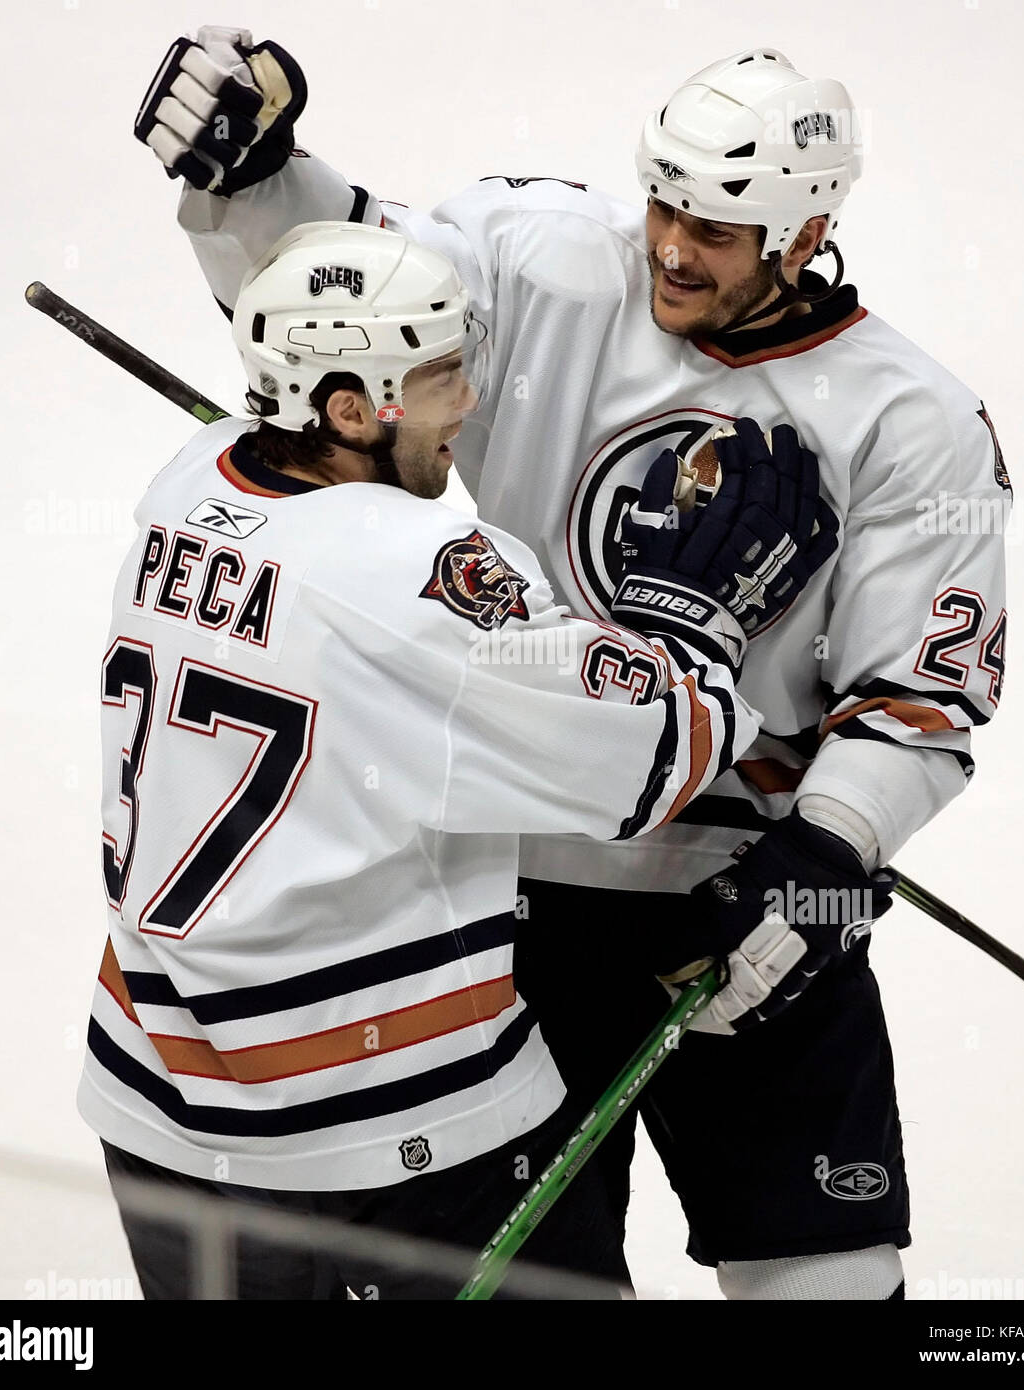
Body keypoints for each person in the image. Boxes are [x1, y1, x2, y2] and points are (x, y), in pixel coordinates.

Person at [134, 33, 1010, 1300]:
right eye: (664, 203)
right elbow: (358, 279)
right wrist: (261, 169)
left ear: (806, 230)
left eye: (717, 228)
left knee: (828, 1280)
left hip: (745, 895)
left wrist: (827, 848)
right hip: (508, 889)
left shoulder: (911, 421)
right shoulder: (543, 261)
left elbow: (918, 702)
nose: (670, 245)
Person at [77, 217, 838, 1299]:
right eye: (440, 378)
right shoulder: (425, 571)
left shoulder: (185, 481)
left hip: (154, 1106)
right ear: (348, 407)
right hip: (385, 1134)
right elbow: (645, 755)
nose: (469, 404)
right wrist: (692, 626)